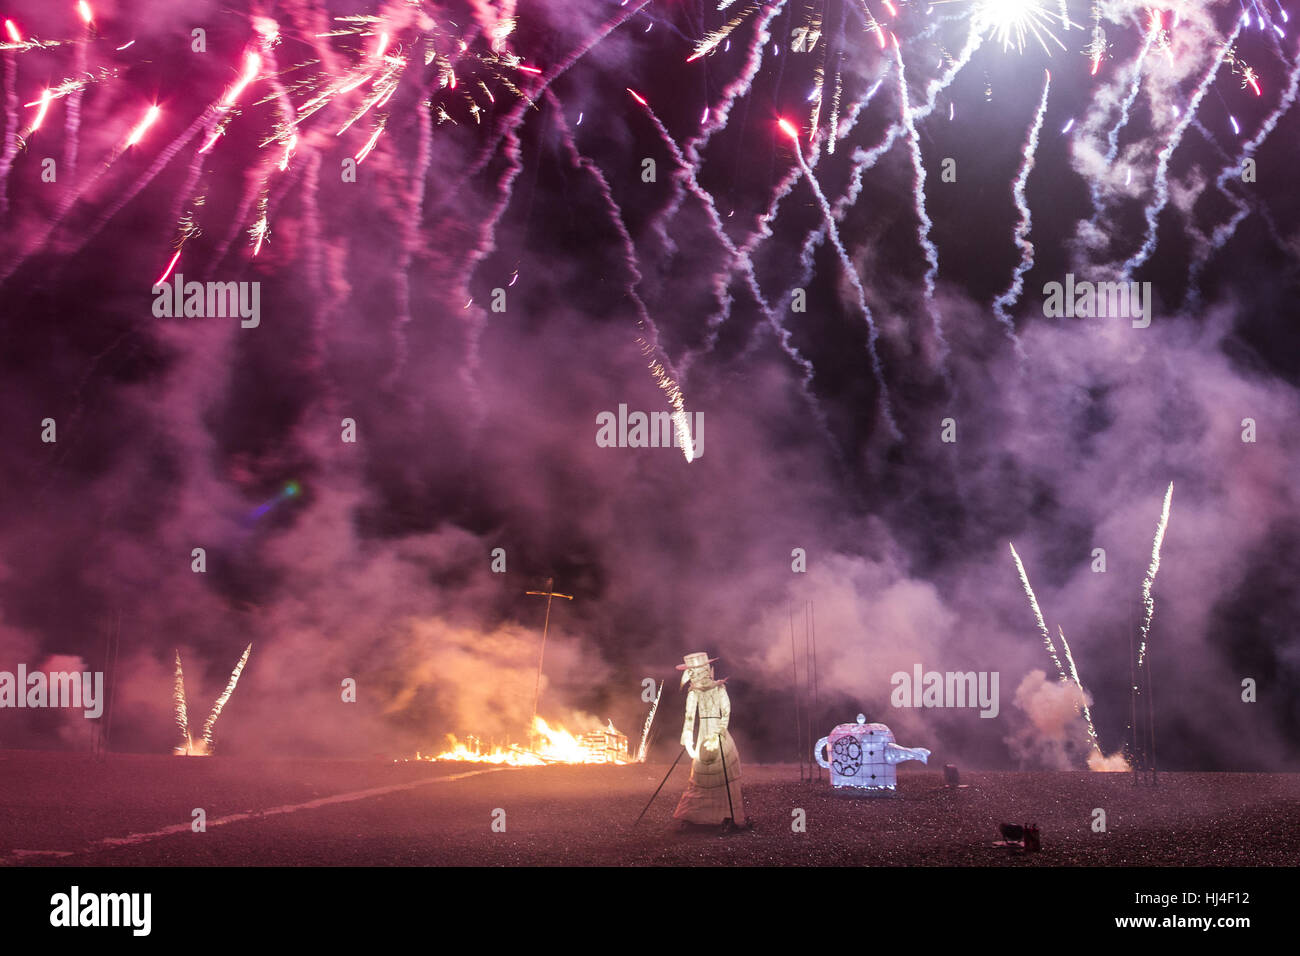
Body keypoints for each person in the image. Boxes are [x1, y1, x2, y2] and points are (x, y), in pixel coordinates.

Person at [672, 652, 747, 829]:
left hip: (717, 733)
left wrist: (719, 732)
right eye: (693, 672)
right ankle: (692, 815)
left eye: (699, 671)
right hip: (703, 734)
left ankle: (729, 816)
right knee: (699, 776)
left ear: (706, 669)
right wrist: (688, 738)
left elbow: (726, 712)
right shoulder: (694, 693)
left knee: (724, 775)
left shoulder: (719, 689)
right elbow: (689, 717)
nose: (696, 675)